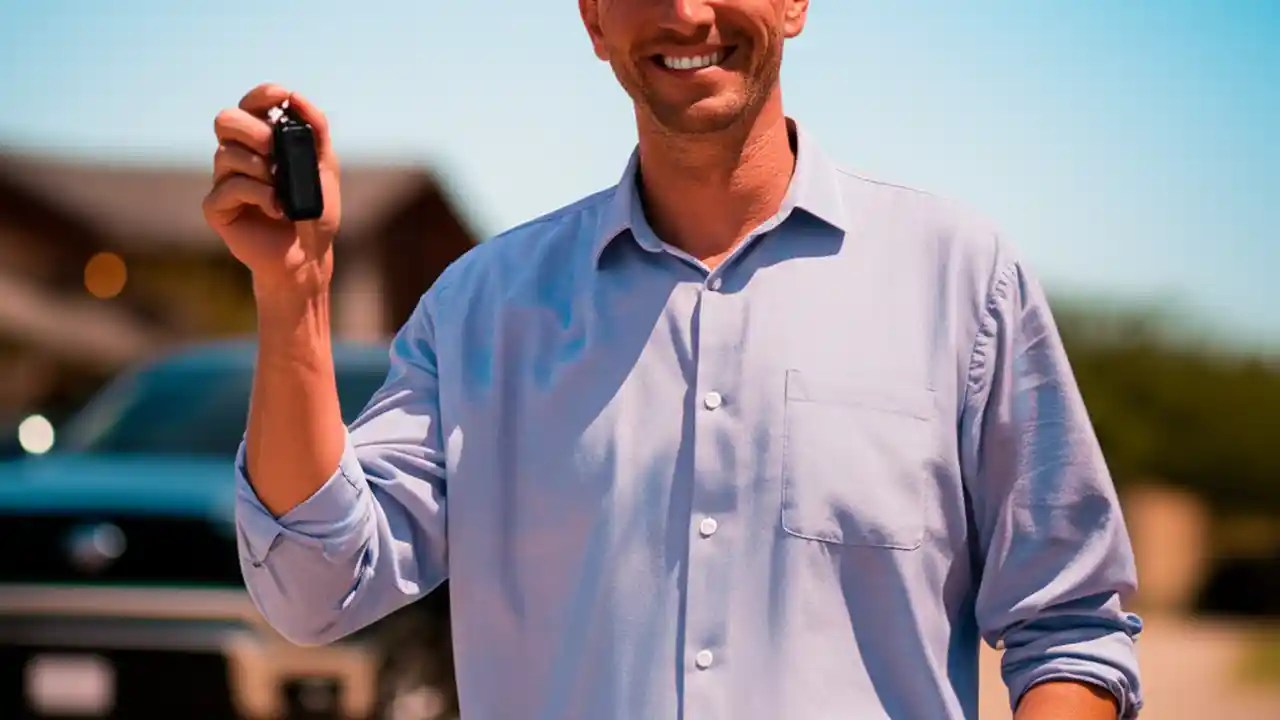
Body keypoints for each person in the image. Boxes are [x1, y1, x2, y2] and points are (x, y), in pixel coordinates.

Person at [203, 1, 1144, 718]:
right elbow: (314, 590)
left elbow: (1068, 625)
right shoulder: (481, 310)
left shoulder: (960, 280)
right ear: (593, 18)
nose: (688, 14)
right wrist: (295, 298)